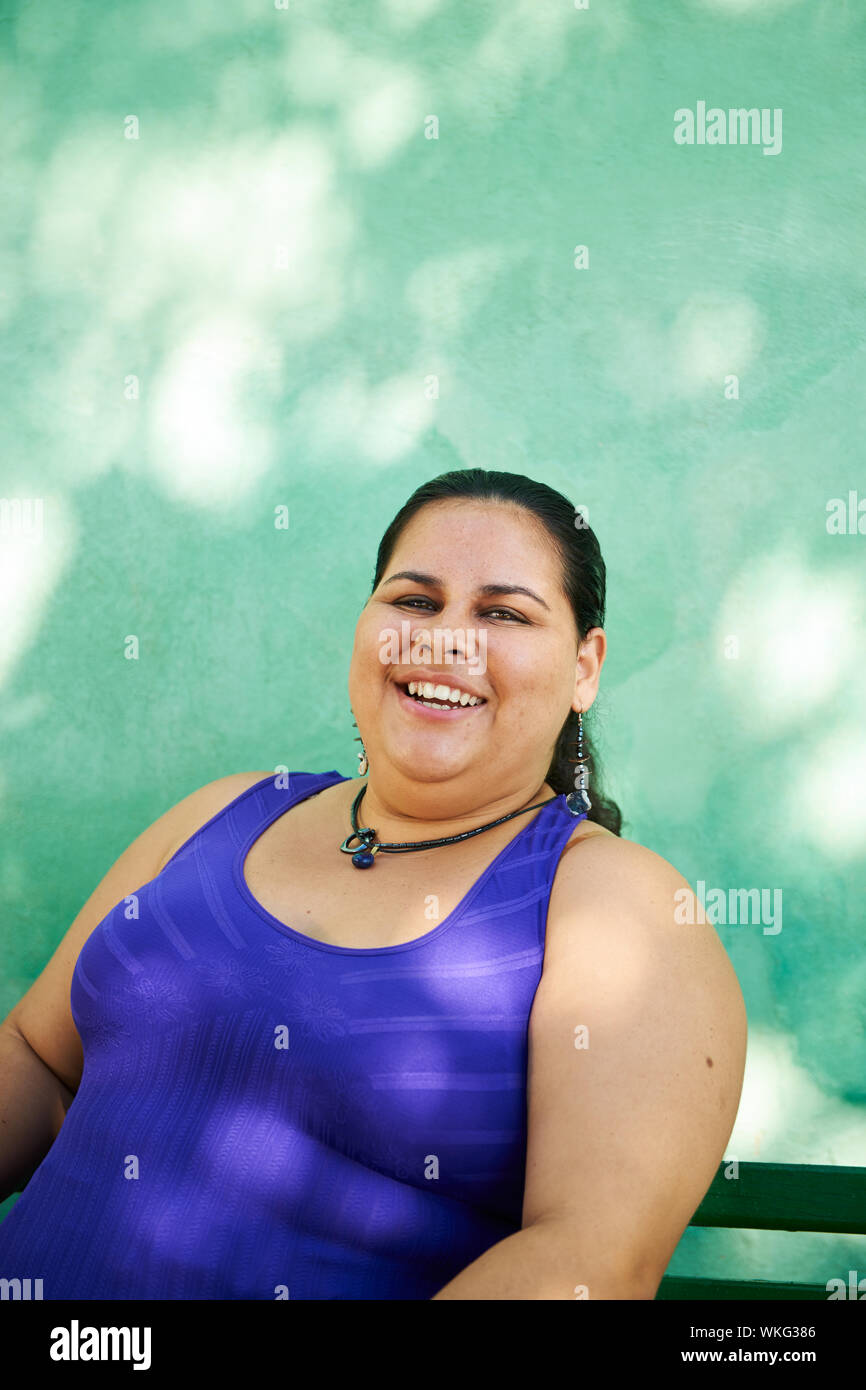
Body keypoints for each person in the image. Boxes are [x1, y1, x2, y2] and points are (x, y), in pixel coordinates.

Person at [0, 468, 746, 1300]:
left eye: (502, 613)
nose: (445, 640)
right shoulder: (222, 811)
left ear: (585, 667)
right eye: (414, 601)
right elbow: (35, 1058)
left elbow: (590, 1265)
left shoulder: (623, 911)